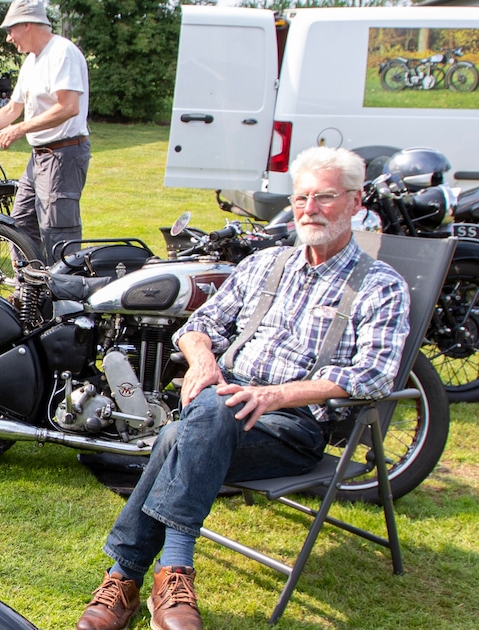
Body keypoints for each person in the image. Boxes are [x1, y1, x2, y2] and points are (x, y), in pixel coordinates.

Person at [74, 147, 410, 630]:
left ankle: (125, 577)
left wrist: (276, 395)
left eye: (325, 197)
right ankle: (166, 576)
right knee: (206, 412)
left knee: (177, 436)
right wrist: (203, 360)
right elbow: (199, 324)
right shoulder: (265, 264)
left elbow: (374, 375)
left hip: (290, 427)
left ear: (356, 202)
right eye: (301, 198)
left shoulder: (380, 285)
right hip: (222, 411)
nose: (309, 209)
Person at [0, 0, 88, 264]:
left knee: (58, 235)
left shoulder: (62, 53)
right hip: (40, 156)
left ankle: (64, 288)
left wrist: (20, 128)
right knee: (19, 224)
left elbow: (68, 107)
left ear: (28, 25)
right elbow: (13, 108)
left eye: (11, 30)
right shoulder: (32, 61)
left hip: (63, 155)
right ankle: (29, 286)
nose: (9, 38)